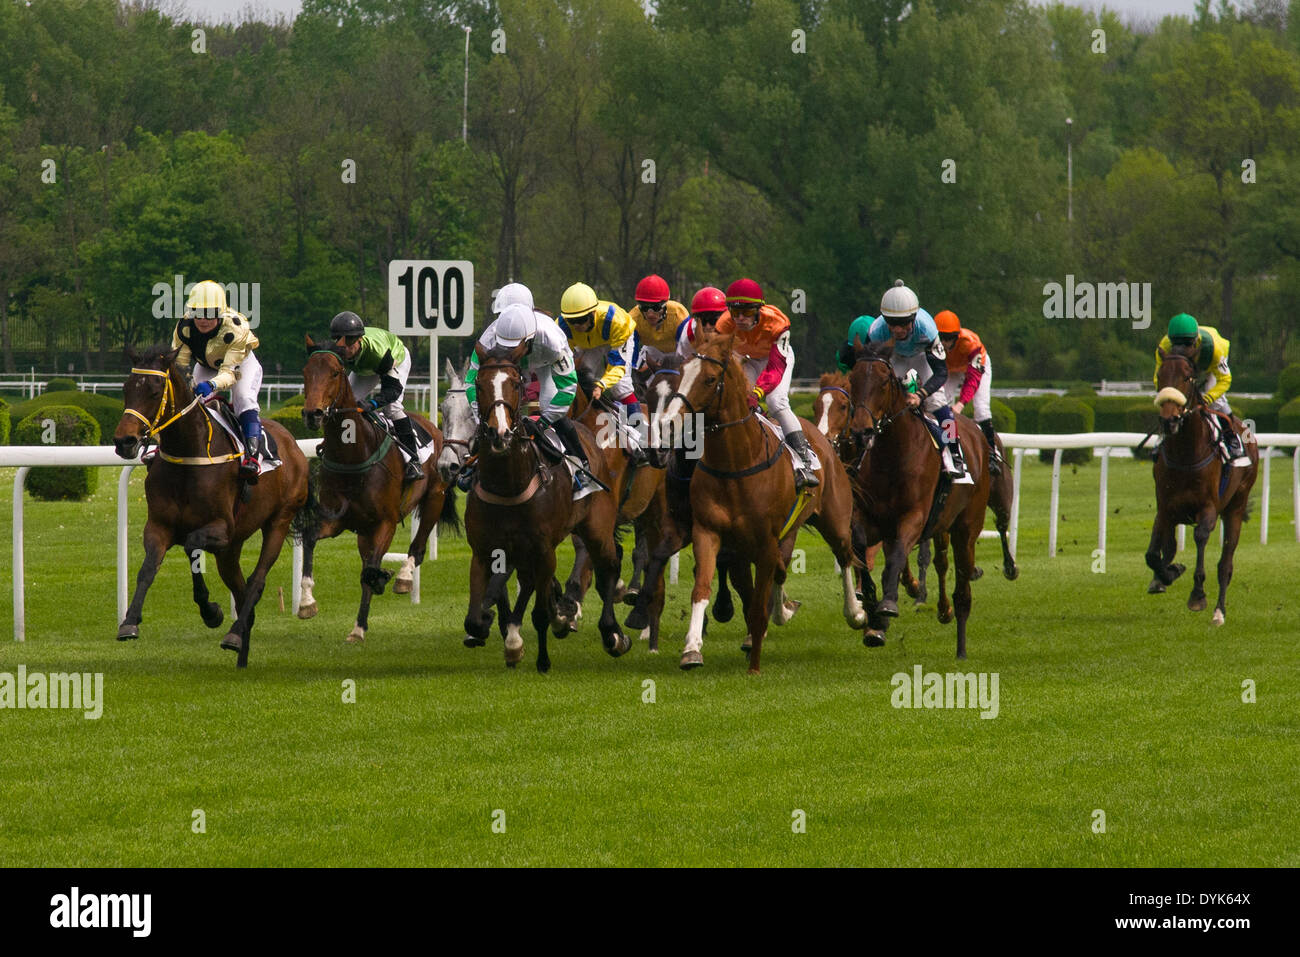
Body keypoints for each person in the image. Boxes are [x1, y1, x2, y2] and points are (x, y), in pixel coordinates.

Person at [460, 283, 594, 495]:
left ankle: (581, 464)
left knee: (552, 407)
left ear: (529, 336)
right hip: (512, 367)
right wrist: (484, 415)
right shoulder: (490, 337)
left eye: (515, 344)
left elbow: (567, 389)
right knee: (496, 408)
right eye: (506, 344)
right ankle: (475, 463)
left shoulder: (553, 340)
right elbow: (470, 382)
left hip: (546, 366)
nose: (511, 349)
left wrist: (542, 422)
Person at [838, 279, 964, 477]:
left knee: (938, 403)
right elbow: (873, 367)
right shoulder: (877, 330)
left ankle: (955, 454)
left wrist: (920, 394)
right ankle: (862, 454)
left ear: (913, 318)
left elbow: (941, 373)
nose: (897, 329)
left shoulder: (928, 329)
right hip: (894, 356)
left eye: (903, 323)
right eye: (892, 323)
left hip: (922, 357)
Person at [715, 278, 819, 489]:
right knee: (739, 401)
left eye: (747, 312)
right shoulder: (723, 325)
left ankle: (804, 460)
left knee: (776, 402)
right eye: (735, 313)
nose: (741, 318)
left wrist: (757, 393)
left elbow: (774, 369)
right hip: (746, 359)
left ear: (759, 310)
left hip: (776, 360)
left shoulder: (778, 324)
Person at [172, 279, 263, 481]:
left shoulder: (236, 329)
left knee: (244, 400)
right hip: (205, 365)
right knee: (187, 404)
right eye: (198, 313)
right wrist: (186, 383)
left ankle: (252, 457)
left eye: (211, 313)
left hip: (240, 365)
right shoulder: (184, 328)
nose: (203, 319)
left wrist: (212, 385)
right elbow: (179, 364)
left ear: (220, 312)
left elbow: (229, 374)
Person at [558, 281, 648, 466]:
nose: (577, 325)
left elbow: (617, 365)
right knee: (583, 380)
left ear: (593, 313)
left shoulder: (616, 322)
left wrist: (602, 385)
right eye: (572, 321)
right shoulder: (560, 327)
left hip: (616, 338)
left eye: (581, 320)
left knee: (620, 386)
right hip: (589, 344)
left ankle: (641, 437)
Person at [328, 310, 423, 482]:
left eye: (351, 345)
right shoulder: (337, 350)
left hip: (393, 358)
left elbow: (392, 390)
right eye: (343, 346)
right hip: (364, 366)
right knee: (343, 405)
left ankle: (413, 460)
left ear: (360, 340)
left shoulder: (379, 354)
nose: (347, 350)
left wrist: (372, 404)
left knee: (392, 408)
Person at [1155, 312, 1250, 466]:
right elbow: (1160, 378)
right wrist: (1167, 398)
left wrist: (1206, 399)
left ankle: (1232, 439)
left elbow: (1224, 380)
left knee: (1217, 402)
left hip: (1209, 365)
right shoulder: (1164, 346)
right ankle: (1163, 439)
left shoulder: (1215, 350)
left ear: (1195, 342)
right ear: (1170, 342)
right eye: (1176, 345)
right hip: (1181, 368)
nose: (1180, 350)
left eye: (1186, 345)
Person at [934, 309, 1003, 475]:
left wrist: (961, 403)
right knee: (940, 404)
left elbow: (973, 380)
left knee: (981, 408)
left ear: (957, 337)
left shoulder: (971, 344)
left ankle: (992, 453)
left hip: (977, 367)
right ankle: (947, 447)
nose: (943, 343)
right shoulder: (932, 343)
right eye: (940, 337)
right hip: (951, 369)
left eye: (948, 339)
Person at [629, 274, 690, 369]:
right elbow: (631, 358)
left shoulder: (679, 315)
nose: (650, 314)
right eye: (644, 307)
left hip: (678, 353)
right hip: (651, 352)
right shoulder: (632, 318)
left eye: (655, 307)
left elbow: (685, 351)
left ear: (665, 304)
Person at [675, 286, 729, 357]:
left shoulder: (733, 327)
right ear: (696, 321)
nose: (708, 327)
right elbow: (683, 364)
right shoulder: (689, 334)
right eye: (703, 322)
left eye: (713, 321)